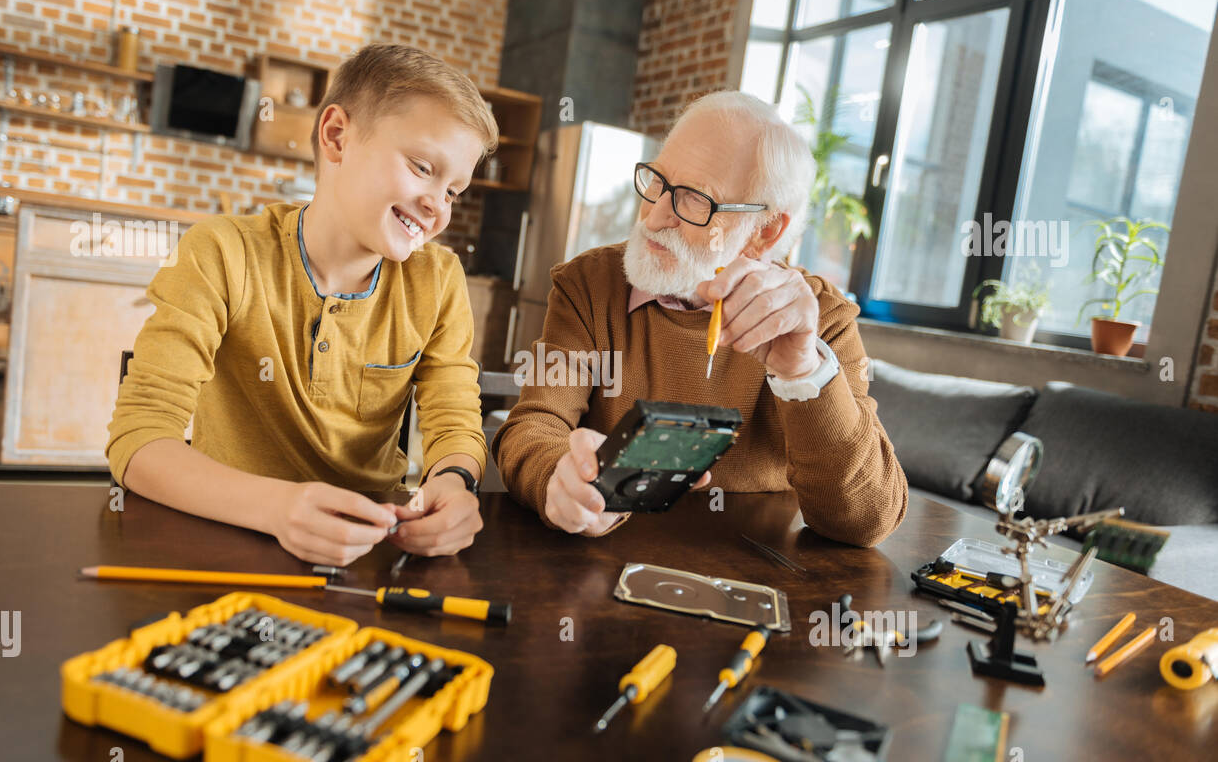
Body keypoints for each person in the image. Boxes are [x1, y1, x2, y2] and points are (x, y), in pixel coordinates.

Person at [107, 44, 493, 565]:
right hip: (223, 535)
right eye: (423, 167)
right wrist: (278, 508)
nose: (437, 206)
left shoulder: (439, 281)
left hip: (367, 546)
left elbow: (454, 418)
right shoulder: (221, 252)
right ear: (336, 137)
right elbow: (140, 438)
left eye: (454, 190)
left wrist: (454, 479)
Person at [493, 90, 907, 547]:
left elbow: (867, 519)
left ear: (765, 231)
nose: (653, 215)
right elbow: (533, 425)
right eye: (657, 181)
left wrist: (802, 371)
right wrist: (560, 480)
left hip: (759, 584)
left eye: (692, 200)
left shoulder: (820, 318)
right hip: (600, 570)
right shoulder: (590, 284)